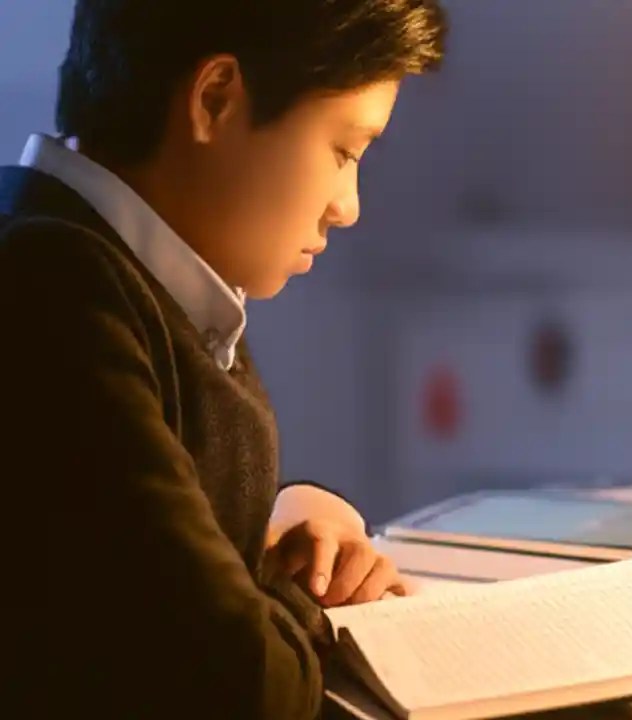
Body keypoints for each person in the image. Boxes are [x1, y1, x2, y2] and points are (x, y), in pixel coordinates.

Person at [0, 1, 446, 718]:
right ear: (214, 100)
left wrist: (271, 540)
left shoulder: (135, 287)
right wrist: (301, 600)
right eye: (343, 151)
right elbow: (237, 683)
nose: (348, 205)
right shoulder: (52, 295)